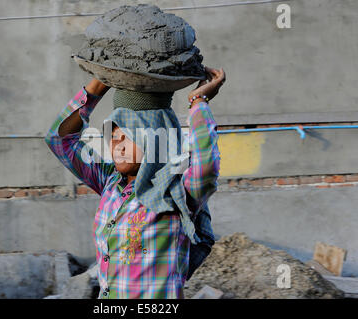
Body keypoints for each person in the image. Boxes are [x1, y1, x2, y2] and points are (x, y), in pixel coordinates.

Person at [45, 67, 225, 298]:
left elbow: (207, 164)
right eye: (113, 137)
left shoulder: (177, 190)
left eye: (128, 137)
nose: (117, 145)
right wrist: (100, 83)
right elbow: (59, 141)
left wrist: (198, 100)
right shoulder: (110, 182)